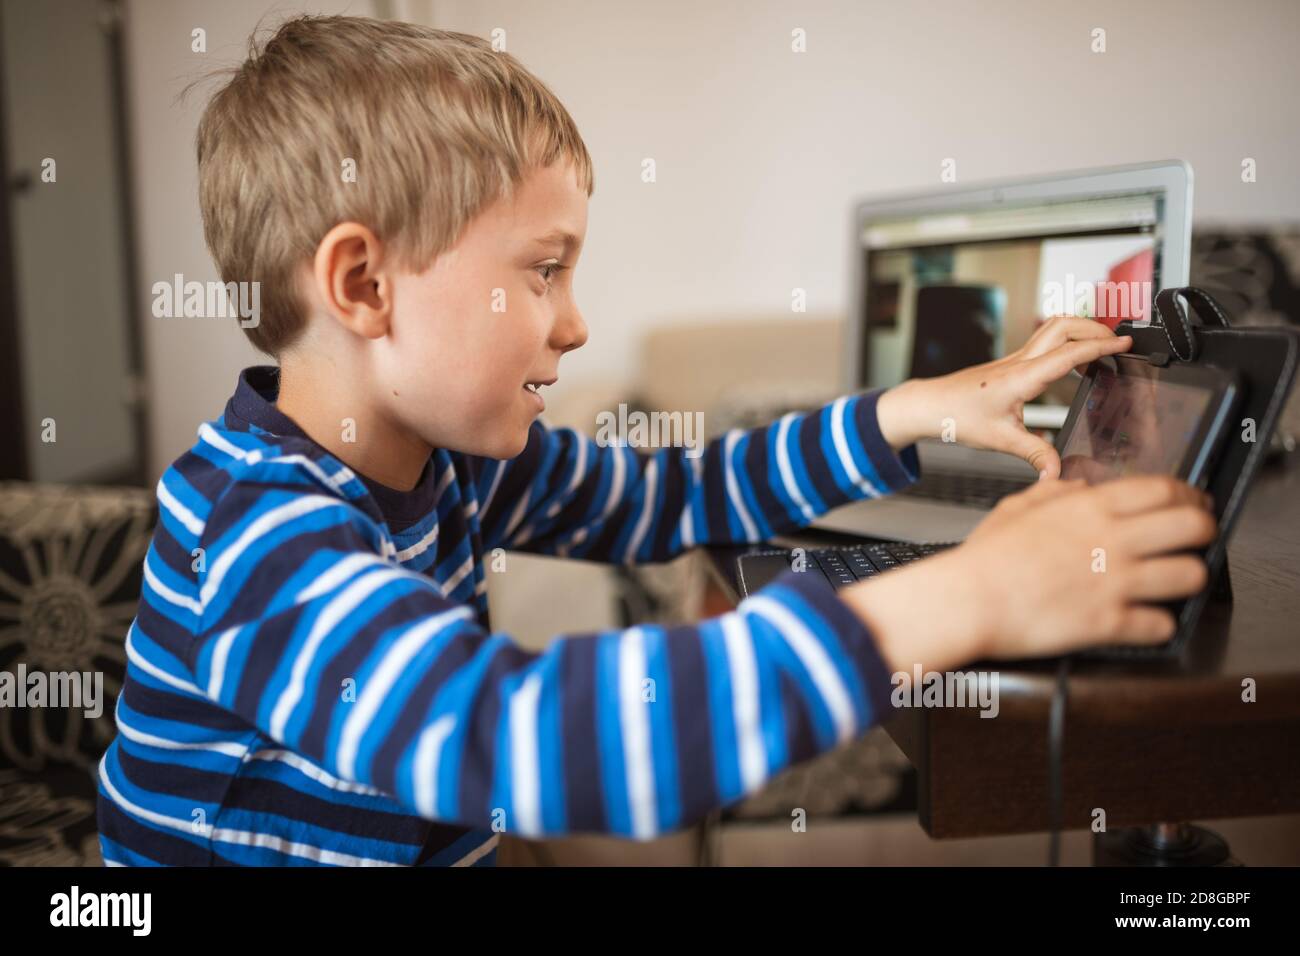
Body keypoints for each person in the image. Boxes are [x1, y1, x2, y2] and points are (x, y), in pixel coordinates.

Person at [97, 15, 1215, 866]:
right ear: (363, 283)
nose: (575, 322)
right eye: (544, 269)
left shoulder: (455, 465)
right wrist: (968, 593)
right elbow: (521, 736)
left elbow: (673, 494)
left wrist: (913, 408)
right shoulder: (251, 533)